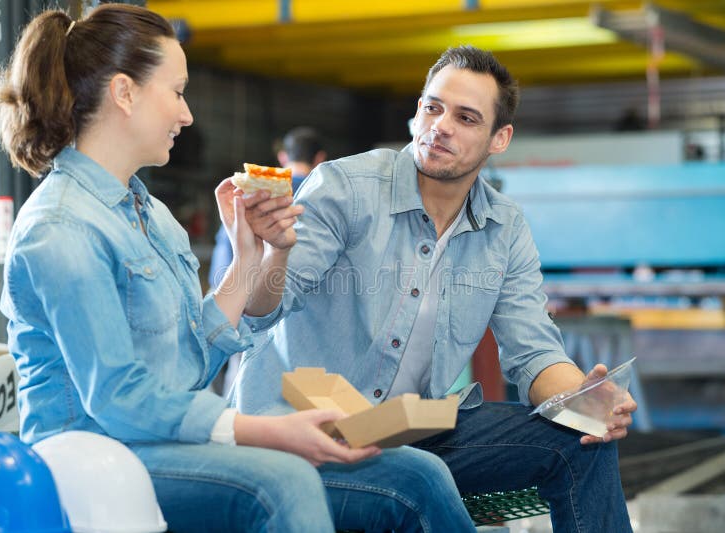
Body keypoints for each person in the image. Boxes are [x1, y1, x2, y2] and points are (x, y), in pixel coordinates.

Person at [0, 6, 477, 532]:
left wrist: (252, 255)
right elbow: (117, 397)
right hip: (95, 457)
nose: (188, 115)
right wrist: (262, 430)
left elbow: (188, 362)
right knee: (283, 480)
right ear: (124, 93)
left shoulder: (148, 214)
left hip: (159, 437)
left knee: (416, 474)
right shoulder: (60, 226)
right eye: (177, 92)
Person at [234, 45, 638, 533]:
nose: (441, 125)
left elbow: (533, 353)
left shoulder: (503, 228)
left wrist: (587, 401)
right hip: (296, 435)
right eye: (432, 107)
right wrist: (271, 253)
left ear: (499, 138)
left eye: (466, 118)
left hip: (403, 433)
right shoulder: (346, 187)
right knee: (419, 478)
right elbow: (260, 310)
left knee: (583, 442)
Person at [208, 126, 326, 289]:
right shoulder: (323, 200)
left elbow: (220, 268)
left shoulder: (250, 191)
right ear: (320, 159)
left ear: (283, 157)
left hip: (235, 297)